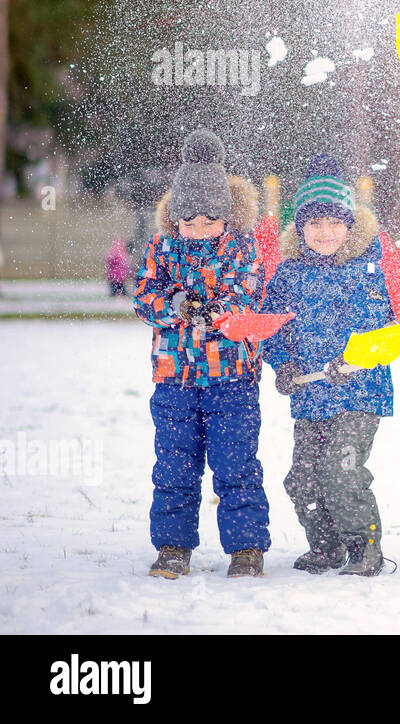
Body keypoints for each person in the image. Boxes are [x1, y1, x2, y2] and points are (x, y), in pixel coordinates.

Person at [262, 154, 400, 577]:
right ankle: (326, 548)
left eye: (334, 222)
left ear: (350, 225)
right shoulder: (289, 274)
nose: (324, 233)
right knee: (303, 481)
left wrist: (353, 360)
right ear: (300, 227)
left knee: (341, 474)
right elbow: (274, 328)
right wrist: (284, 364)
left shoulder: (367, 268)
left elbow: (378, 322)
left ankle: (364, 548)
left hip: (359, 392)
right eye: (313, 223)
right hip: (311, 396)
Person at [132, 129, 269, 579]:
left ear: (227, 217)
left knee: (236, 464)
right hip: (174, 379)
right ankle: (173, 546)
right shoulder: (162, 248)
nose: (198, 232)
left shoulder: (242, 248)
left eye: (209, 222)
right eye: (188, 224)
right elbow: (144, 298)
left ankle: (246, 548)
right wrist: (174, 305)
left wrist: (216, 311)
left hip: (232, 379)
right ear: (175, 220)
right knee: (174, 465)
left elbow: (246, 293)